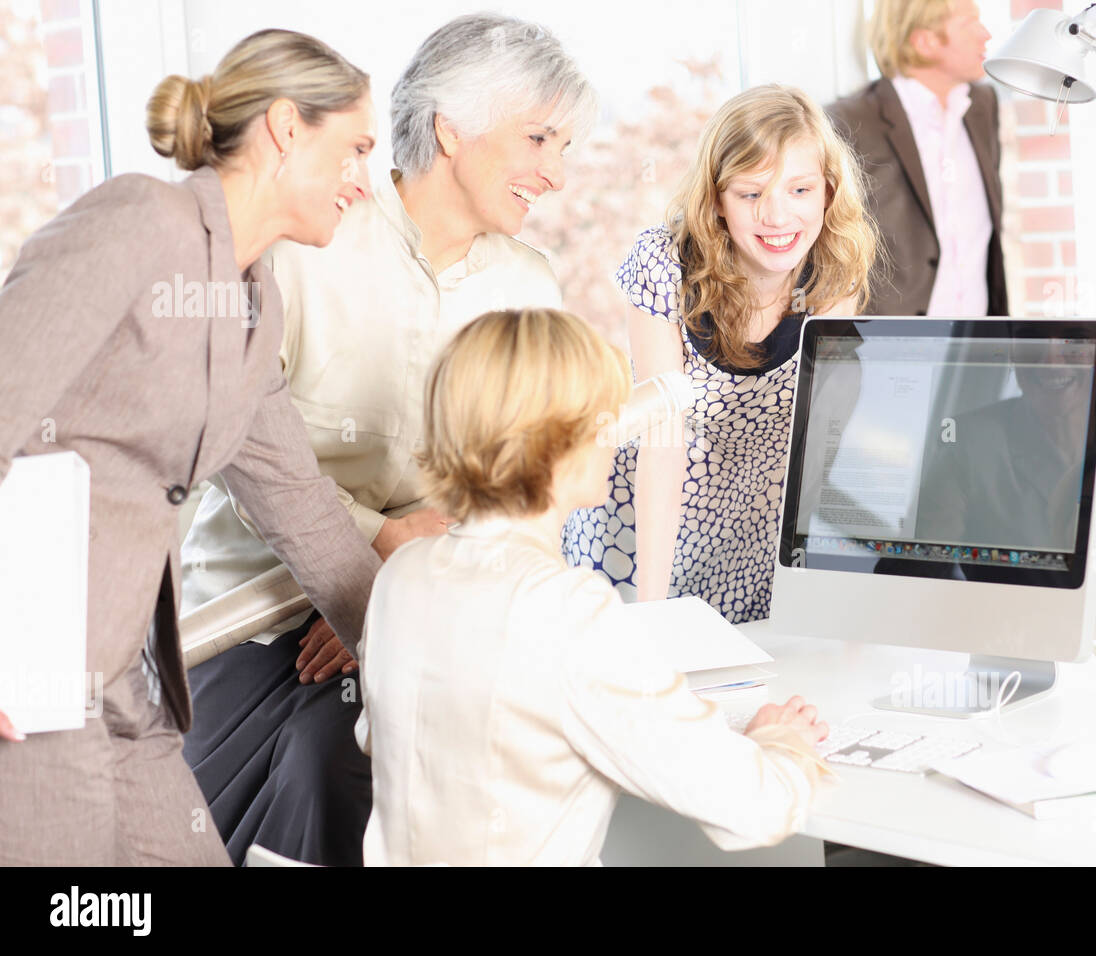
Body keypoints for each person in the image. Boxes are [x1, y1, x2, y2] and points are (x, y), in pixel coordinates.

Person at [179, 13, 596, 866]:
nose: (556, 173)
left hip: (431, 607)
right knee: (327, 764)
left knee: (432, 760)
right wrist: (367, 559)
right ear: (451, 128)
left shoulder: (530, 287)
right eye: (540, 138)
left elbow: (524, 483)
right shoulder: (306, 246)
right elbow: (233, 452)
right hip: (255, 614)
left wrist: (403, 588)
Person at [0, 29, 382, 865]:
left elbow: (300, 504)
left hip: (127, 688)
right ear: (286, 128)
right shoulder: (139, 222)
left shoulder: (254, 302)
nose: (365, 180)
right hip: (30, 678)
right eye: (354, 148)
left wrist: (415, 637)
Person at [359, 307, 832, 866]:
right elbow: (753, 807)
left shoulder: (401, 577)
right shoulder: (564, 611)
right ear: (556, 443)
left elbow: (392, 738)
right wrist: (782, 742)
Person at [563, 85, 877, 623]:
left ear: (827, 192)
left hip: (749, 539)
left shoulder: (836, 272)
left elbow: (823, 447)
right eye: (751, 195)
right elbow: (665, 440)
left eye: (799, 190)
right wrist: (653, 616)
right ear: (717, 201)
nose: (778, 217)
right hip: (642, 534)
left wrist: (836, 594)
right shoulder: (665, 264)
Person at [826, 0, 1006, 318]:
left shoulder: (983, 106)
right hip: (892, 345)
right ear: (925, 42)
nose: (986, 34)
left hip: (979, 340)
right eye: (969, 23)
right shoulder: (848, 121)